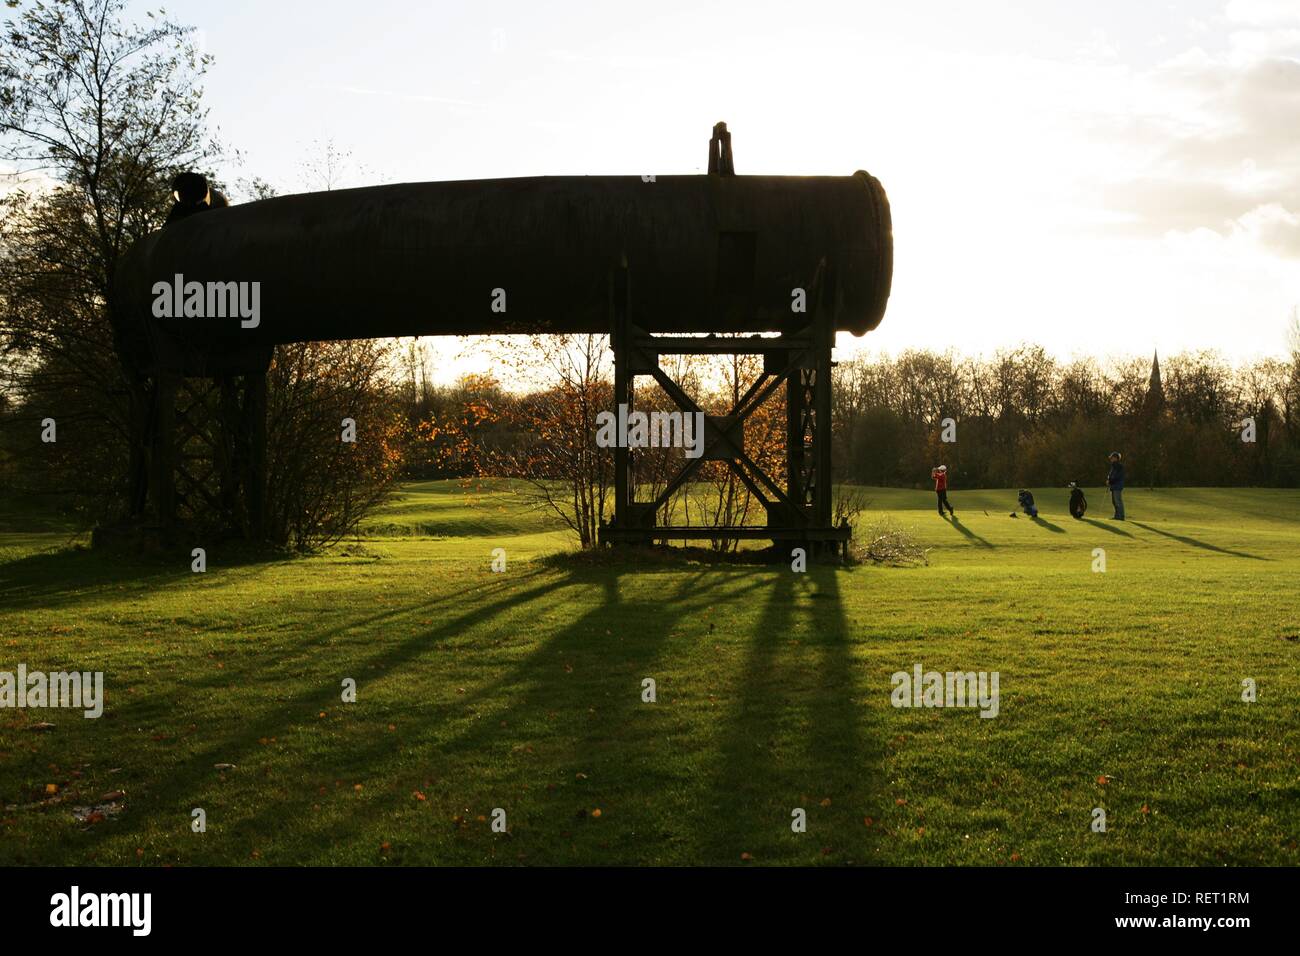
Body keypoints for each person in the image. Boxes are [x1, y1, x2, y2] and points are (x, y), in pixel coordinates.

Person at [1106, 452, 1125, 520]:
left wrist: (1110, 481)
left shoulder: (1119, 466)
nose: (1110, 459)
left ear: (1115, 458)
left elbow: (1117, 476)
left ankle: (1121, 516)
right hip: (1114, 485)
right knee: (1114, 501)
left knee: (1117, 501)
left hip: (1117, 485)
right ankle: (1117, 516)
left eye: (1112, 457)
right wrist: (1108, 479)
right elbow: (1110, 475)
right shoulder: (1113, 466)